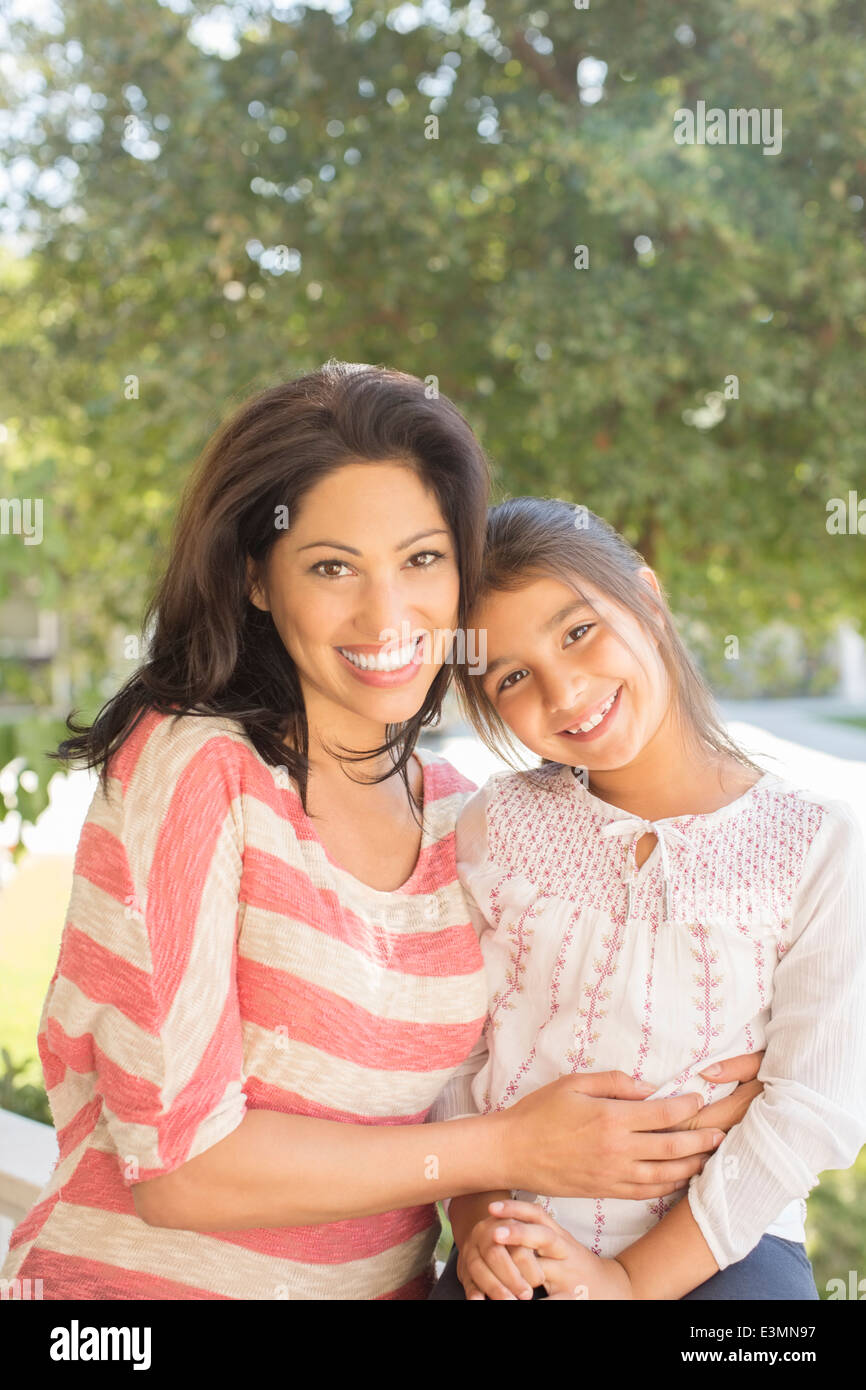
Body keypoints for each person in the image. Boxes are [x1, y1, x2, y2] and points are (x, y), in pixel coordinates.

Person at [1, 373, 760, 1300]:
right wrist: (508, 1149)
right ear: (256, 578)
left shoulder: (463, 813)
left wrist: (729, 1082)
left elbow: (557, 1035)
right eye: (331, 566)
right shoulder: (199, 765)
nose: (386, 615)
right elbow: (182, 1167)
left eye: (422, 560)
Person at [430, 496, 866, 1301]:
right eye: (514, 676)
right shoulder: (495, 826)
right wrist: (483, 1215)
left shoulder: (814, 843)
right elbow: (458, 1057)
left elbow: (816, 1101)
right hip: (521, 1235)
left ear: (649, 601)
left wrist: (627, 1282)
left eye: (579, 631)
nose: (564, 692)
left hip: (723, 1248)